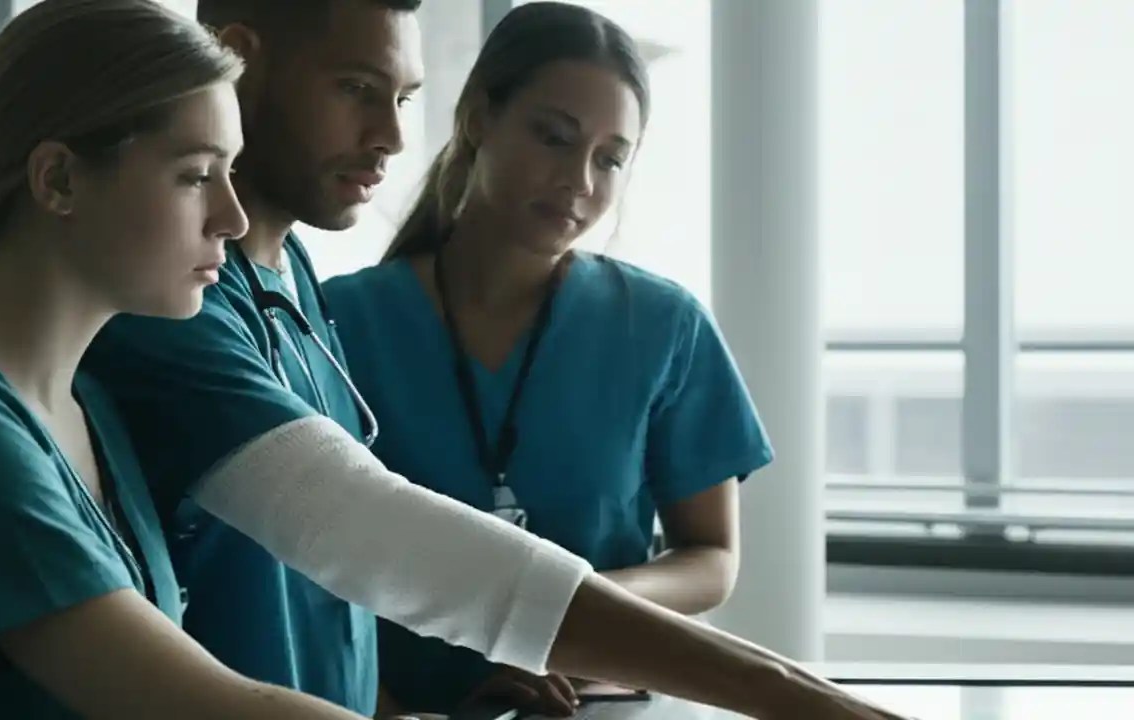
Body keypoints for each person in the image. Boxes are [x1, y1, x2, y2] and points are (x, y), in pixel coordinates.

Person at [82, 2, 911, 719]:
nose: (391, 137)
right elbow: (358, 529)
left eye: (403, 98)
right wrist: (787, 693)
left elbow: (330, 608)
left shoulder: (290, 280)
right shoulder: (173, 303)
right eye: (356, 89)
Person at [0, 1, 372, 717]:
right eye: (196, 176)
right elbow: (199, 709)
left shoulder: (88, 407)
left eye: (230, 172)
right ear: (59, 180)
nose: (233, 218)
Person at [322, 2, 772, 715]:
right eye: (554, 137)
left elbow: (711, 559)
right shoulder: (338, 322)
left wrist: (559, 623)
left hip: (591, 703)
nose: (580, 181)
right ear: (478, 118)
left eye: (610, 158)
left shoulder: (662, 325)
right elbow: (308, 562)